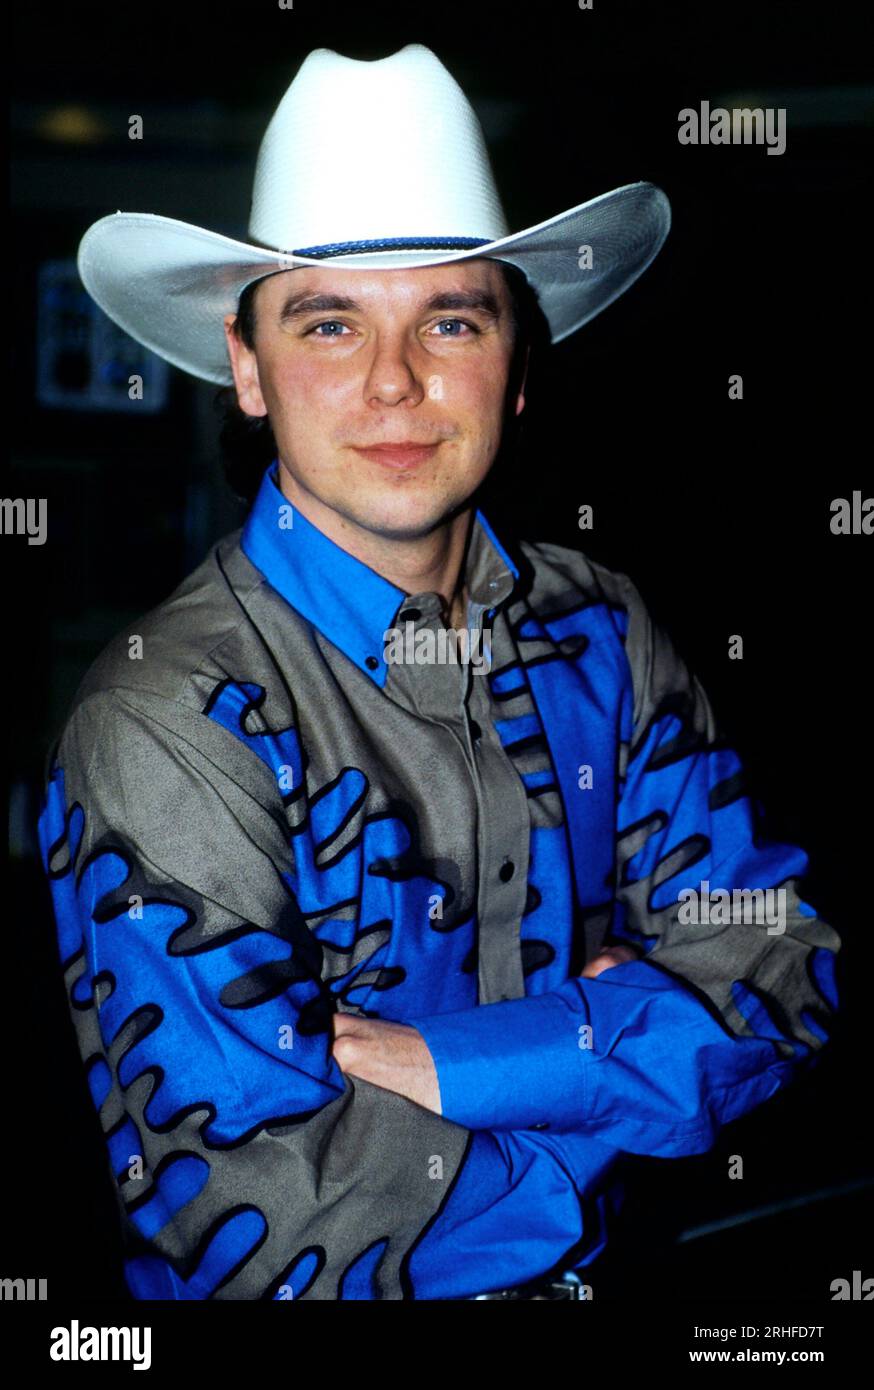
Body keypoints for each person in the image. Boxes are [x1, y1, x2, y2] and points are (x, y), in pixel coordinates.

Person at [37, 42, 840, 1301]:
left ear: (515, 363)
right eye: (330, 321)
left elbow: (783, 961)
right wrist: (606, 1097)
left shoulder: (603, 628)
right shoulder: (166, 720)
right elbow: (259, 1206)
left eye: (449, 318)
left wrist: (448, 1061)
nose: (395, 381)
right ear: (247, 369)